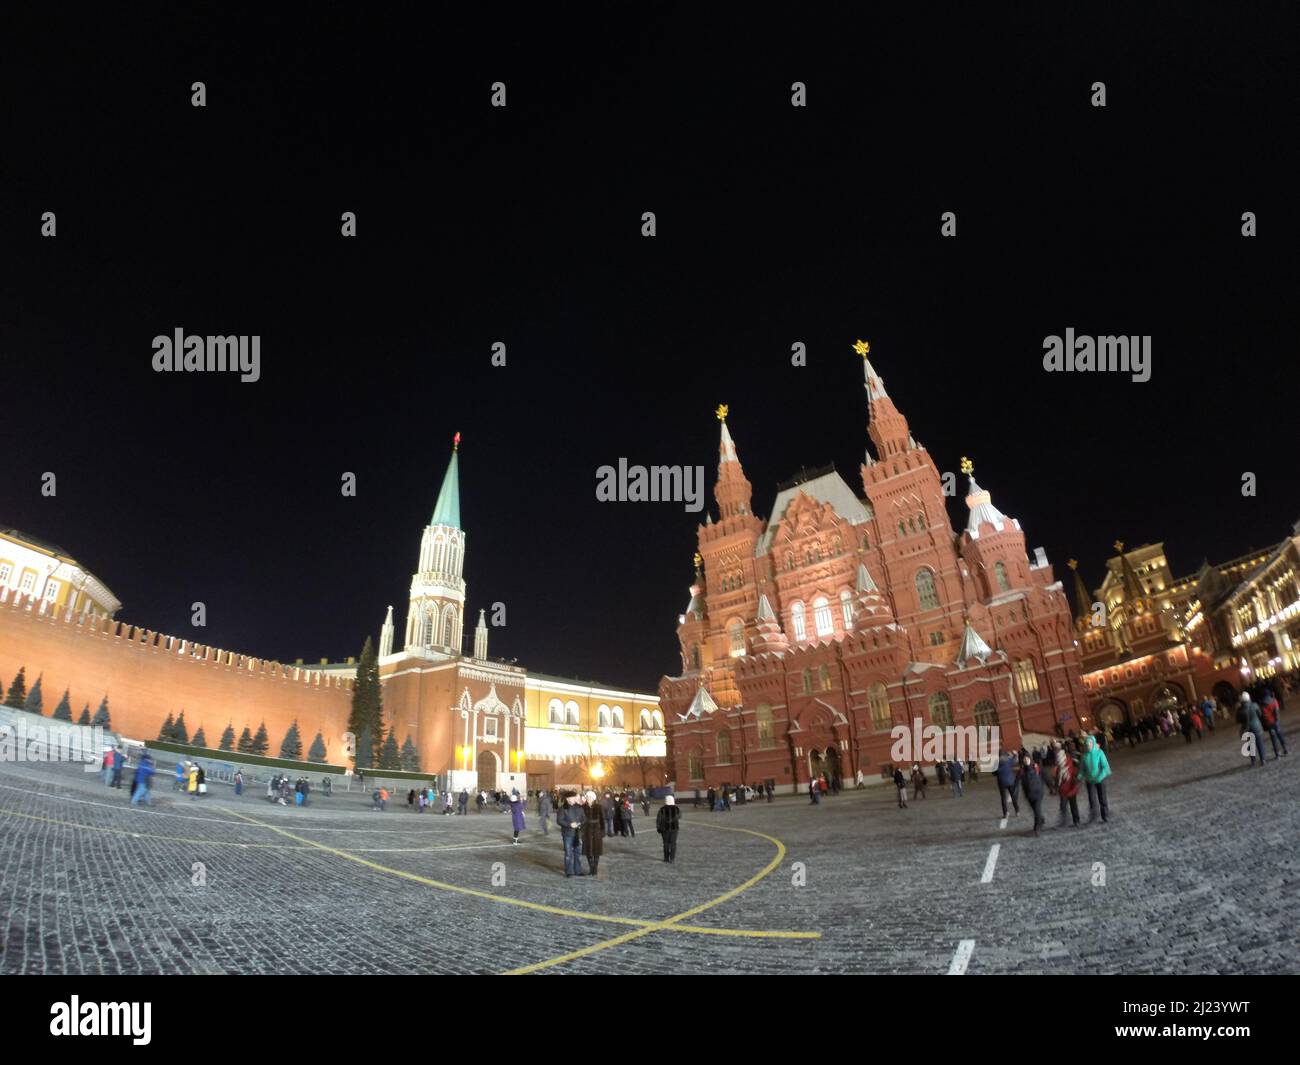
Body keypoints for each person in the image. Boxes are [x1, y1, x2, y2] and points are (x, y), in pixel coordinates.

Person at [1079, 734, 1111, 821]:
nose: (1088, 745)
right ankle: (1094, 815)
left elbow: (1106, 767)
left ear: (1093, 743)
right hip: (1090, 781)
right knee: (1092, 800)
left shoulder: (1099, 752)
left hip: (1100, 779)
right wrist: (1079, 777)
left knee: (1102, 798)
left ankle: (1105, 815)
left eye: (1089, 743)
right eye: (1087, 744)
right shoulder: (1084, 755)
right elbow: (1082, 769)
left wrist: (1100, 777)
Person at [1237, 692, 1268, 768]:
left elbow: (1238, 720)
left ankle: (1253, 761)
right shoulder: (1254, 705)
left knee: (1251, 745)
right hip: (1257, 727)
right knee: (1260, 744)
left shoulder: (1240, 710)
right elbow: (1260, 714)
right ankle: (1263, 759)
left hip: (1247, 729)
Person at [558, 792, 585, 877]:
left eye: (575, 797)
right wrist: (569, 824)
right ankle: (569, 871)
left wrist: (579, 823)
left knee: (578, 853)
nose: (575, 799)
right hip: (567, 834)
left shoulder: (579, 807)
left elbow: (584, 818)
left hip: (577, 833)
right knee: (568, 853)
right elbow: (559, 821)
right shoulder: (563, 809)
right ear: (568, 799)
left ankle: (578, 870)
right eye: (573, 797)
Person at [1056, 746, 1081, 827]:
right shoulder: (1058, 768)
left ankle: (1076, 821)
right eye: (1058, 759)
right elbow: (1057, 779)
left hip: (1071, 789)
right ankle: (1064, 821)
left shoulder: (1071, 764)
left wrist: (1075, 781)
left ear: (1064, 757)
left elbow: (1076, 774)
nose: (1059, 761)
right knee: (1063, 806)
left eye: (1060, 759)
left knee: (1073, 805)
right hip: (1063, 790)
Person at [581, 791, 605, 877]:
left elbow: (602, 820)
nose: (588, 799)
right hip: (587, 831)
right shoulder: (583, 807)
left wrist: (602, 832)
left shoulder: (599, 807)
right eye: (587, 797)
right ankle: (591, 868)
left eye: (590, 797)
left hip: (597, 831)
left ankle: (595, 869)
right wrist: (582, 832)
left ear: (593, 798)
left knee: (596, 851)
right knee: (588, 851)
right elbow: (581, 820)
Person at [1259, 689, 1288, 758]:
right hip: (1275, 722)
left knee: (1273, 738)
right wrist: (1277, 720)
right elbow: (1276, 712)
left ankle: (1277, 753)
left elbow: (1263, 715)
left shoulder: (1262, 704)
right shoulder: (1274, 701)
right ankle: (1285, 749)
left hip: (1269, 723)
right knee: (1280, 736)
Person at [1020, 755, 1045, 834]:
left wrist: (1051, 786)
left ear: (1030, 759)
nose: (1026, 760)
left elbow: (1045, 776)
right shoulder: (1022, 771)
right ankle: (1041, 819)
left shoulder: (1037, 767)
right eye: (1024, 759)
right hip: (1029, 795)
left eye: (1027, 758)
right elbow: (1020, 783)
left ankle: (1037, 827)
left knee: (1037, 810)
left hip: (1038, 793)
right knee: (1035, 810)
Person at [995, 749, 1020, 818]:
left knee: (1003, 798)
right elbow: (1015, 759)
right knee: (1013, 796)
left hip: (1001, 782)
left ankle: (1006, 813)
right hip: (1010, 781)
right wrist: (1015, 754)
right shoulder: (1008, 760)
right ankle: (1017, 811)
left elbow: (994, 773)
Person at [656, 794, 680, 862]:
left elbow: (658, 819)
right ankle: (672, 858)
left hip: (664, 829)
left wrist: (658, 828)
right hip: (674, 829)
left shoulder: (662, 809)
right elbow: (680, 816)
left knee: (665, 843)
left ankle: (666, 858)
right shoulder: (676, 809)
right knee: (673, 843)